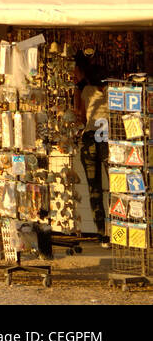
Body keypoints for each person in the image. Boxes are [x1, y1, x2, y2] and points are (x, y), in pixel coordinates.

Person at [73, 54, 109, 232]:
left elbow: (80, 114)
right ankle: (120, 227)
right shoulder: (112, 91)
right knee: (117, 184)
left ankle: (101, 231)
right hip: (107, 139)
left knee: (94, 188)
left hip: (90, 139)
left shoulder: (87, 90)